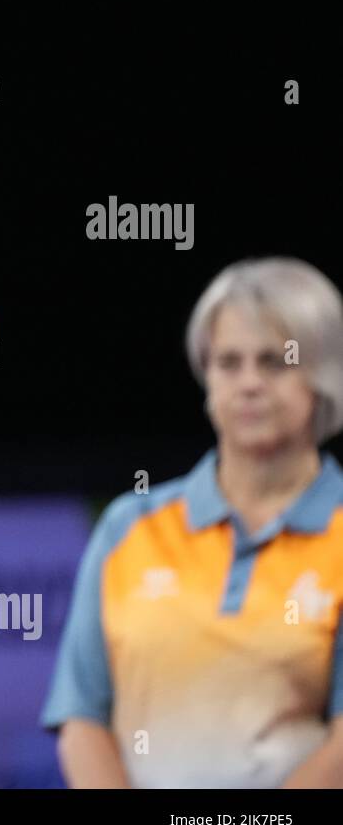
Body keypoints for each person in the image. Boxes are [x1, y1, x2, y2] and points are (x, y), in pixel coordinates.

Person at [42, 257, 343, 788]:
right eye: (228, 362)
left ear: (324, 374)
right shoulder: (127, 527)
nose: (249, 382)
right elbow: (81, 718)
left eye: (274, 361)